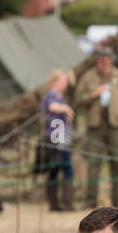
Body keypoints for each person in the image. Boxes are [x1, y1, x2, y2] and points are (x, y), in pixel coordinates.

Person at [73, 47, 118, 209]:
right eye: (99, 60)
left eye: (105, 60)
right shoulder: (88, 77)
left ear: (111, 60)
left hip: (114, 125)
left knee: (117, 162)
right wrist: (93, 95)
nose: (102, 63)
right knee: (93, 163)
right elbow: (78, 100)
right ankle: (90, 200)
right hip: (95, 126)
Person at [40, 69, 75, 212]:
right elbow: (52, 107)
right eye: (63, 81)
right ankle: (65, 203)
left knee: (56, 169)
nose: (66, 84)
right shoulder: (51, 95)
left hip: (61, 136)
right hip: (56, 137)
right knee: (65, 168)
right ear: (55, 81)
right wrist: (66, 108)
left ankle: (58, 204)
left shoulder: (59, 95)